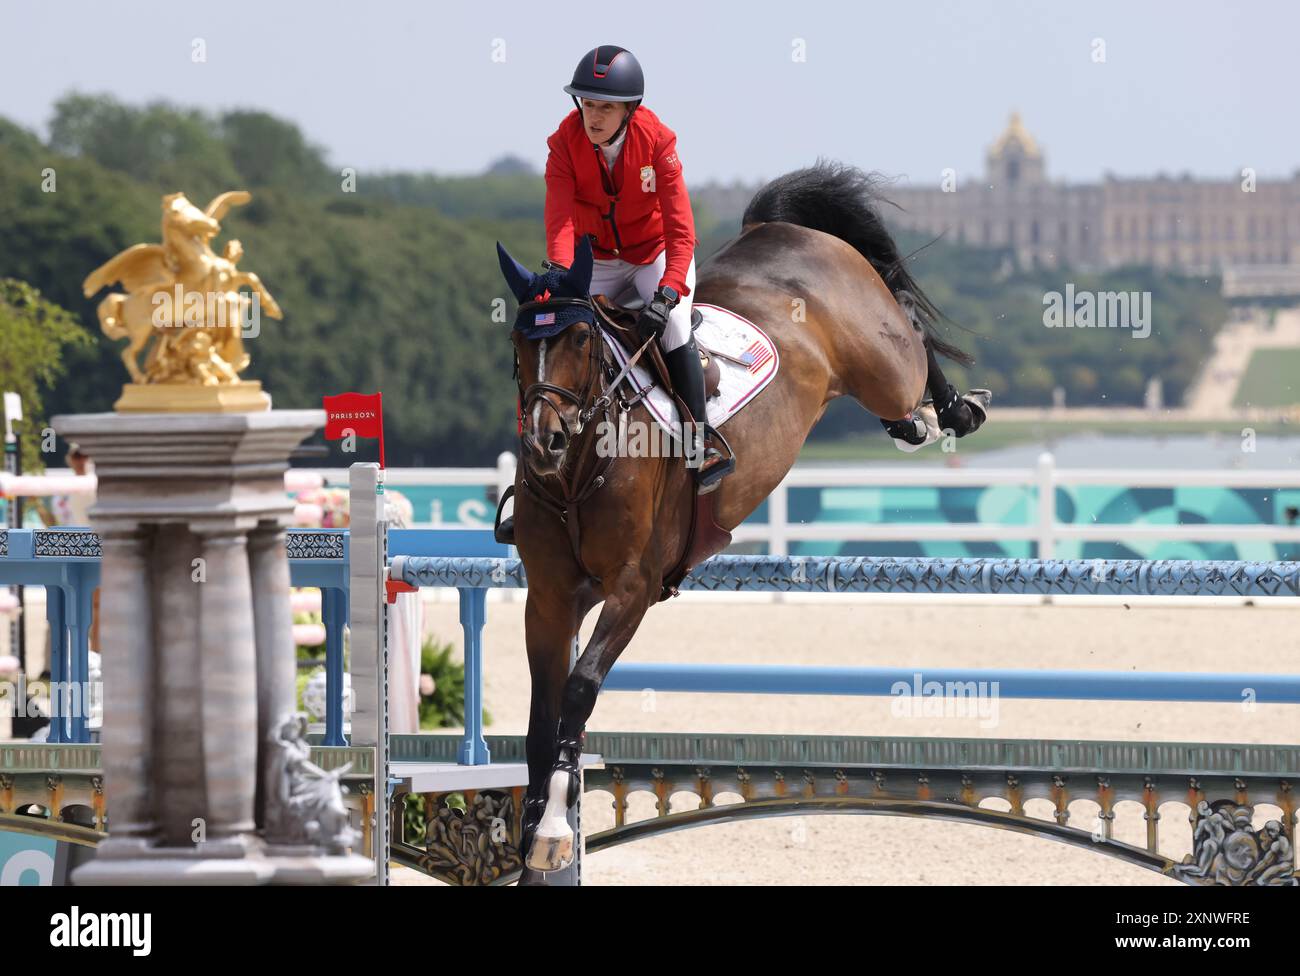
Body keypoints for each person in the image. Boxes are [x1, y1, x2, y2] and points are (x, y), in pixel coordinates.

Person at [542, 44, 733, 486]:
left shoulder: (658, 142)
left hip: (654, 255)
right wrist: (561, 275)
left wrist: (667, 293)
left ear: (629, 109)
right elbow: (560, 225)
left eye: (605, 107)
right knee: (550, 331)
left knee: (675, 328)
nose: (593, 116)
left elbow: (681, 232)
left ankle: (699, 443)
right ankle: (535, 471)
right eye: (588, 104)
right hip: (600, 261)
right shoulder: (563, 144)